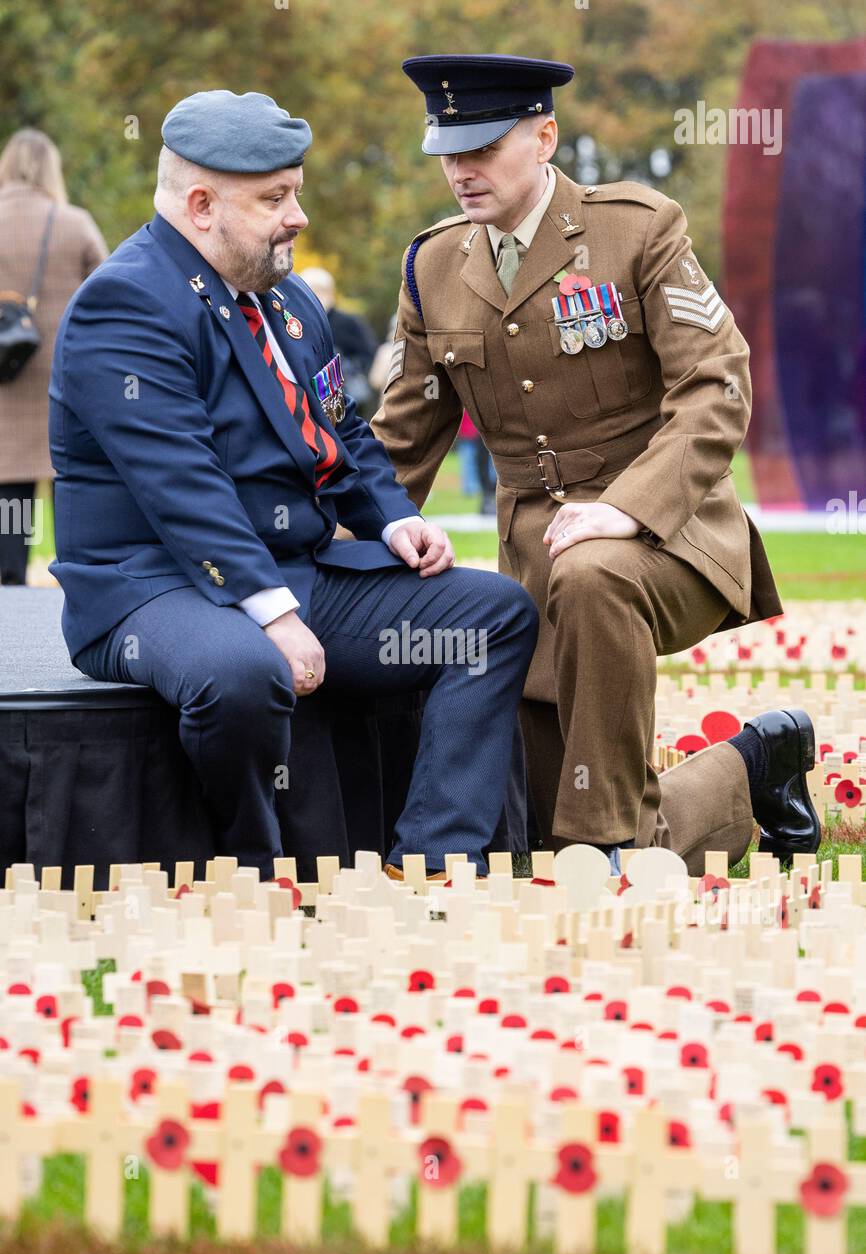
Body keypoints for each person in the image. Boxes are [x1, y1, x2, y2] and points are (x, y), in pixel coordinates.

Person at [48, 89, 538, 882]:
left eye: (296, 192)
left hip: (294, 573)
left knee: (492, 618)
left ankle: (434, 863)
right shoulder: (127, 302)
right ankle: (254, 873)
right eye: (275, 198)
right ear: (201, 205)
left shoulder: (287, 299)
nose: (298, 216)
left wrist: (390, 522)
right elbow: (184, 488)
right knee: (244, 671)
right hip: (153, 588)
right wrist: (272, 614)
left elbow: (342, 431)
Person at [371, 53, 821, 874]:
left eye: (482, 147)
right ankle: (753, 765)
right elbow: (400, 438)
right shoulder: (431, 266)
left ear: (545, 137)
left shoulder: (637, 228)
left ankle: (602, 853)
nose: (458, 170)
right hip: (536, 567)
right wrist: (325, 536)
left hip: (667, 541)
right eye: (447, 148)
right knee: (550, 822)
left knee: (594, 576)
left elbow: (717, 384)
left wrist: (628, 508)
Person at [0, 129, 107, 584]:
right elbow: (111, 294)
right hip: (66, 373)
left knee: (13, 486)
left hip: (6, 374)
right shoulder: (74, 222)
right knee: (69, 476)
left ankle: (9, 581)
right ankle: (80, 578)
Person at [300, 266, 379, 418]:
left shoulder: (349, 322)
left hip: (346, 394)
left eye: (320, 290)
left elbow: (369, 353)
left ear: (330, 293)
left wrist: (347, 368)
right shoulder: (298, 322)